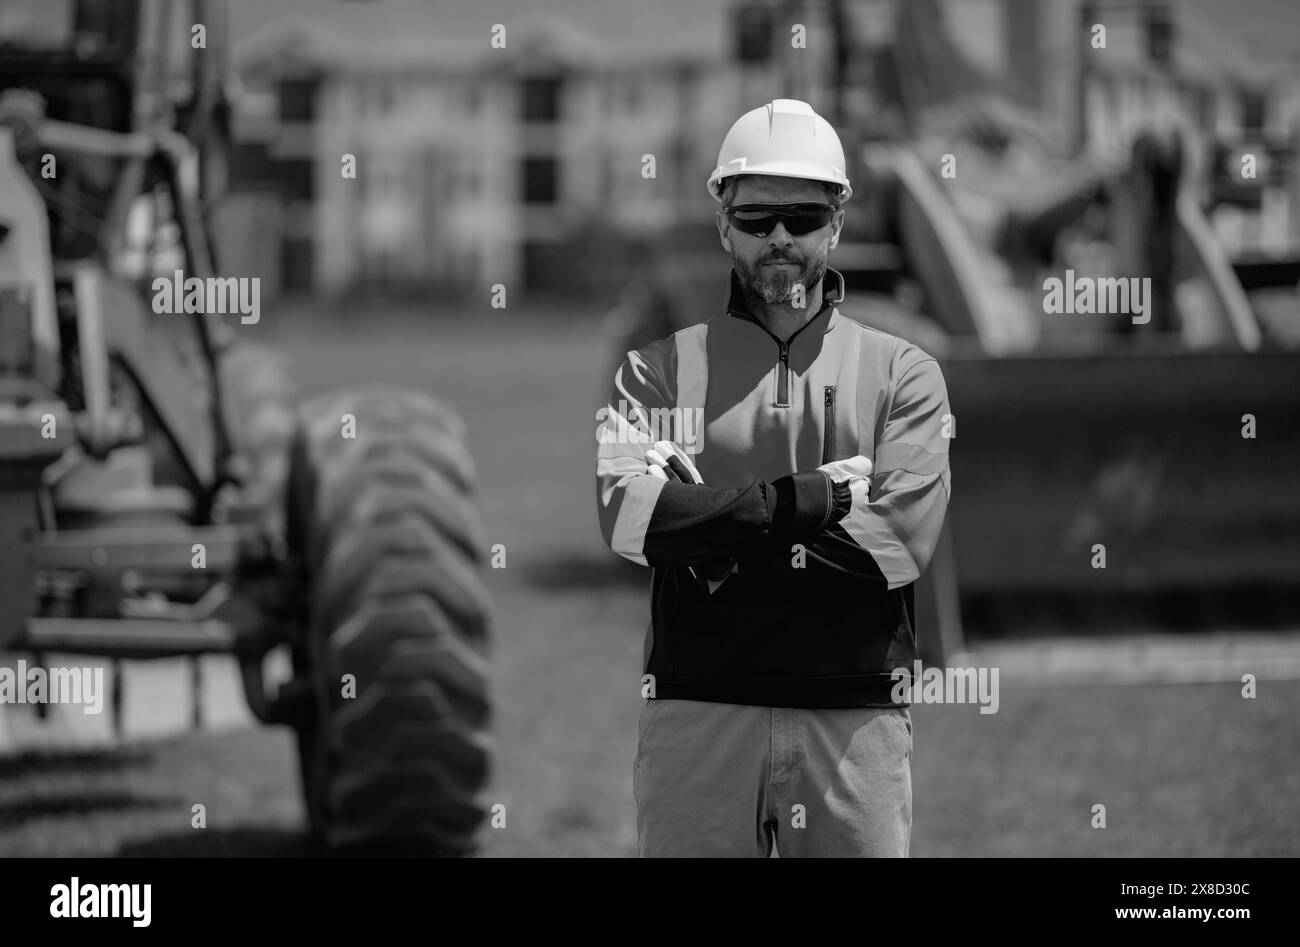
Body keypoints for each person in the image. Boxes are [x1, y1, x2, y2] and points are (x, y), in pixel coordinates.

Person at [596, 99, 952, 857]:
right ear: (723, 222)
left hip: (854, 721)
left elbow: (896, 545)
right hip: (696, 713)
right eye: (758, 219)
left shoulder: (906, 375)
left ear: (839, 219)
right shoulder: (655, 372)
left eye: (803, 215)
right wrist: (812, 500)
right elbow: (630, 523)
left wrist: (712, 536)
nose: (780, 237)